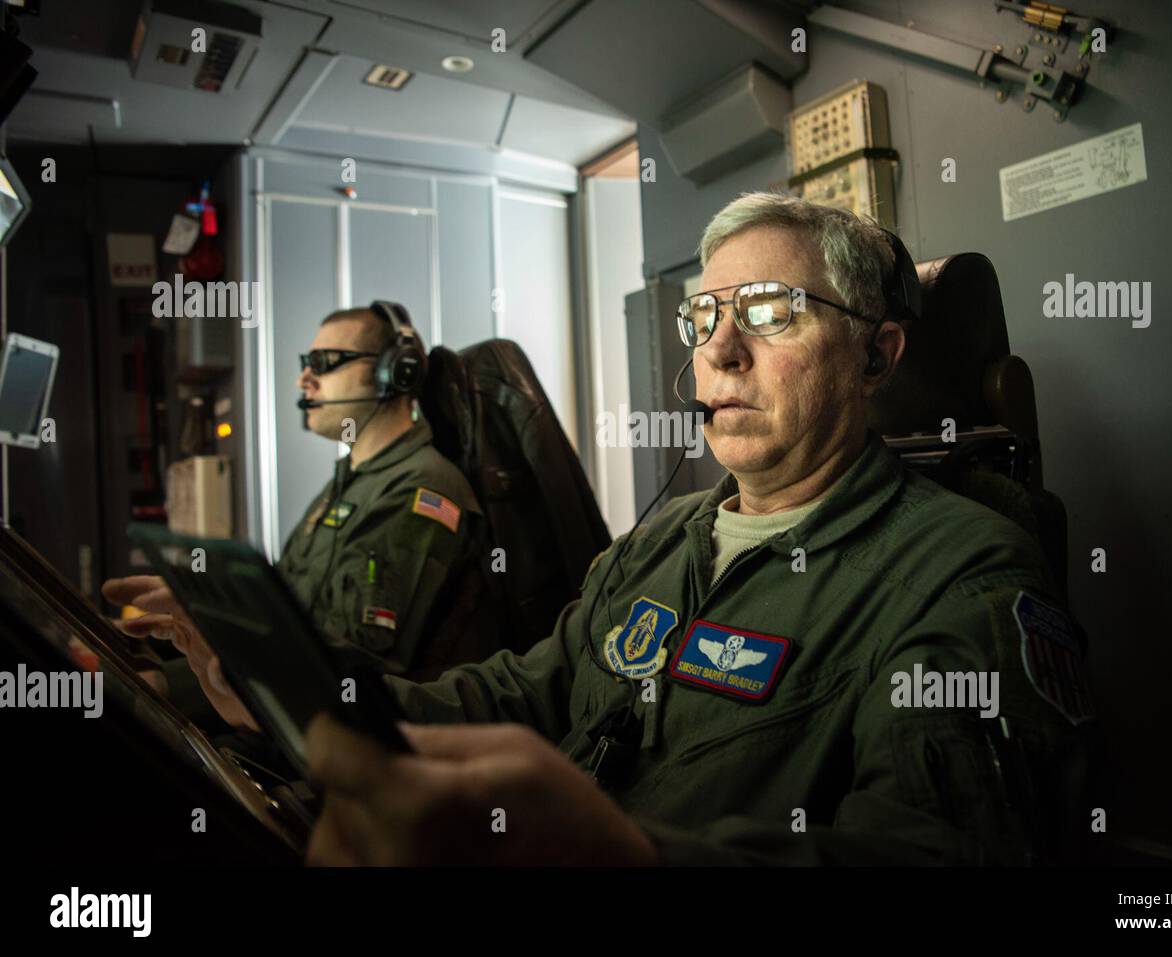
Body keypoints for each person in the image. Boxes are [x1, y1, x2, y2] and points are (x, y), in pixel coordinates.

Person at [162, 195, 1091, 866]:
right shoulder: (663, 540)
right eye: (706, 315)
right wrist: (324, 701)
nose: (721, 349)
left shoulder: (965, 569)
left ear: (875, 356)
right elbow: (522, 692)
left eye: (773, 311)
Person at [105, 302, 502, 716]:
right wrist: (184, 629)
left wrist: (171, 683)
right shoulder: (350, 483)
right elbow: (284, 616)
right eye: (305, 363)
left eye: (324, 362)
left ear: (395, 373)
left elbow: (351, 666)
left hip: (338, 736)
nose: (304, 379)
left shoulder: (421, 490)